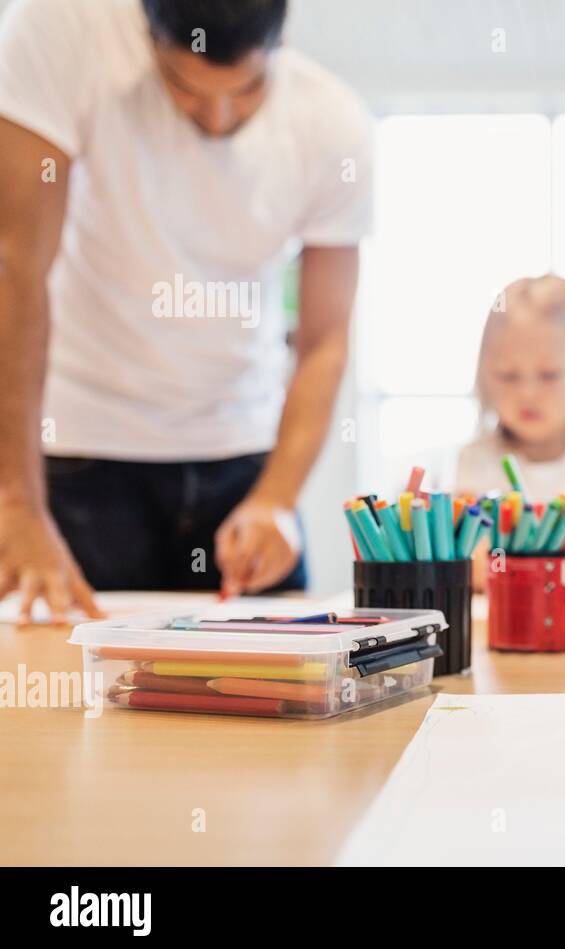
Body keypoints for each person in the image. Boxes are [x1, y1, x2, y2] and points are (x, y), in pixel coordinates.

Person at [0, 0, 372, 621]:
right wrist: (16, 503)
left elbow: (325, 339)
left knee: (279, 699)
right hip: (79, 460)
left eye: (248, 91)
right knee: (72, 694)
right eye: (186, 89)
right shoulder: (60, 30)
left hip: (242, 468)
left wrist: (274, 499)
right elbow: (14, 269)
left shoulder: (335, 124)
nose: (219, 117)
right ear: (146, 38)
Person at [454, 275, 565, 606]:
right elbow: (475, 567)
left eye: (549, 375)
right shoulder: (476, 458)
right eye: (508, 375)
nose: (527, 394)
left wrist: (514, 579)